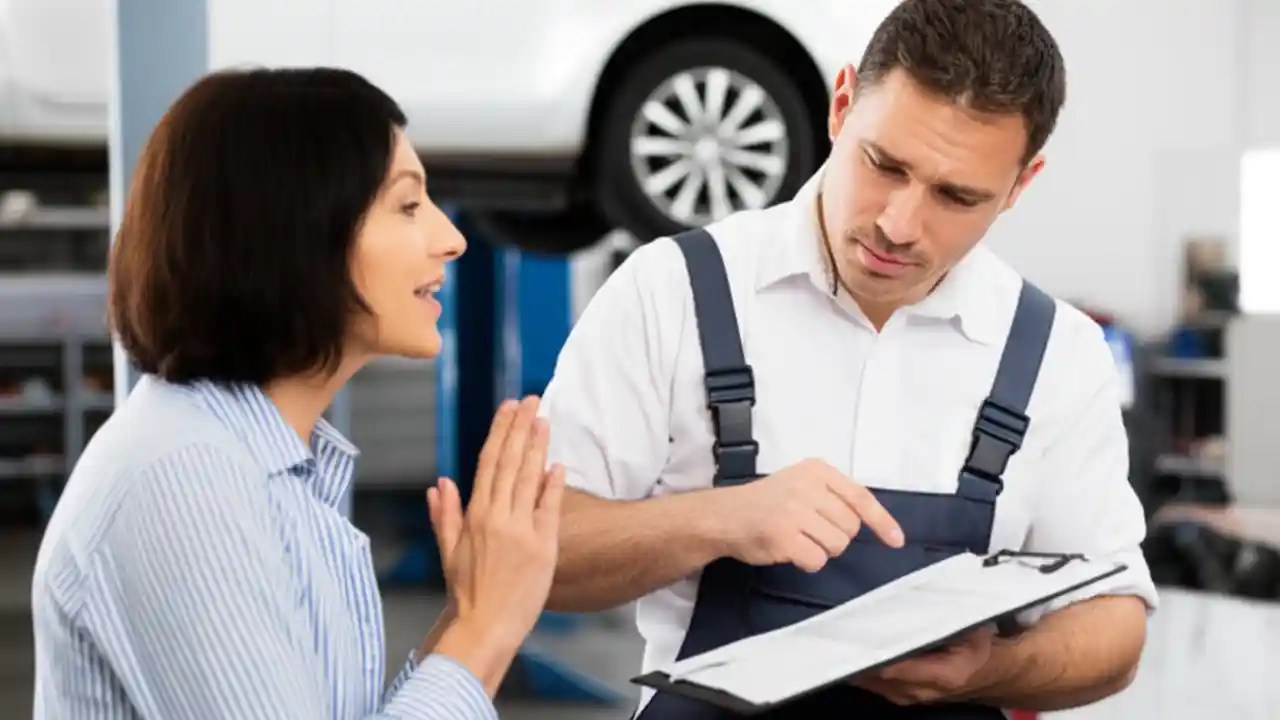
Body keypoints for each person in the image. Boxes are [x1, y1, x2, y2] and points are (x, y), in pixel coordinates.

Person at [540, 0, 1157, 717]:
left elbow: (1115, 626)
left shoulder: (1058, 354)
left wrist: (993, 670)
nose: (899, 224)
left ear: (1020, 184)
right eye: (884, 164)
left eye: (956, 196)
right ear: (840, 108)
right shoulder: (670, 292)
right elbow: (537, 556)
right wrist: (718, 520)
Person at [30, 67, 564, 720]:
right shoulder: (186, 477)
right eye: (407, 206)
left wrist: (470, 617)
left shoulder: (257, 462)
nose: (451, 240)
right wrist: (486, 628)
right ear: (294, 232)